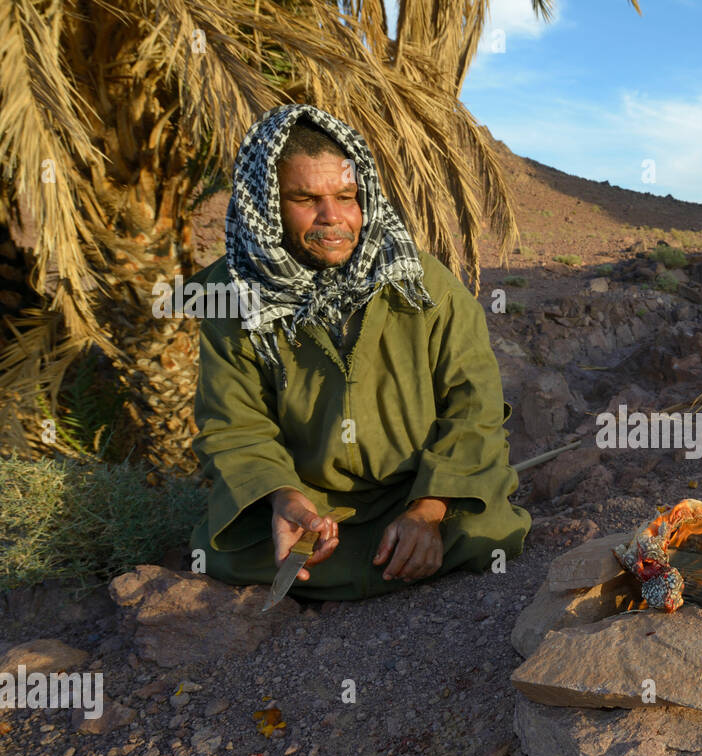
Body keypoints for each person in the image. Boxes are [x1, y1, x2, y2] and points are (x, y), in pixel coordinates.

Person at [186, 104, 530, 600]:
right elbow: (234, 424)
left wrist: (429, 511)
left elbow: (474, 409)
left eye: (346, 197)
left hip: (423, 490)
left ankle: (418, 539)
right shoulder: (235, 295)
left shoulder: (427, 285)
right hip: (314, 505)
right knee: (224, 551)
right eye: (305, 199)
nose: (333, 218)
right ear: (267, 206)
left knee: (490, 534)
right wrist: (285, 499)